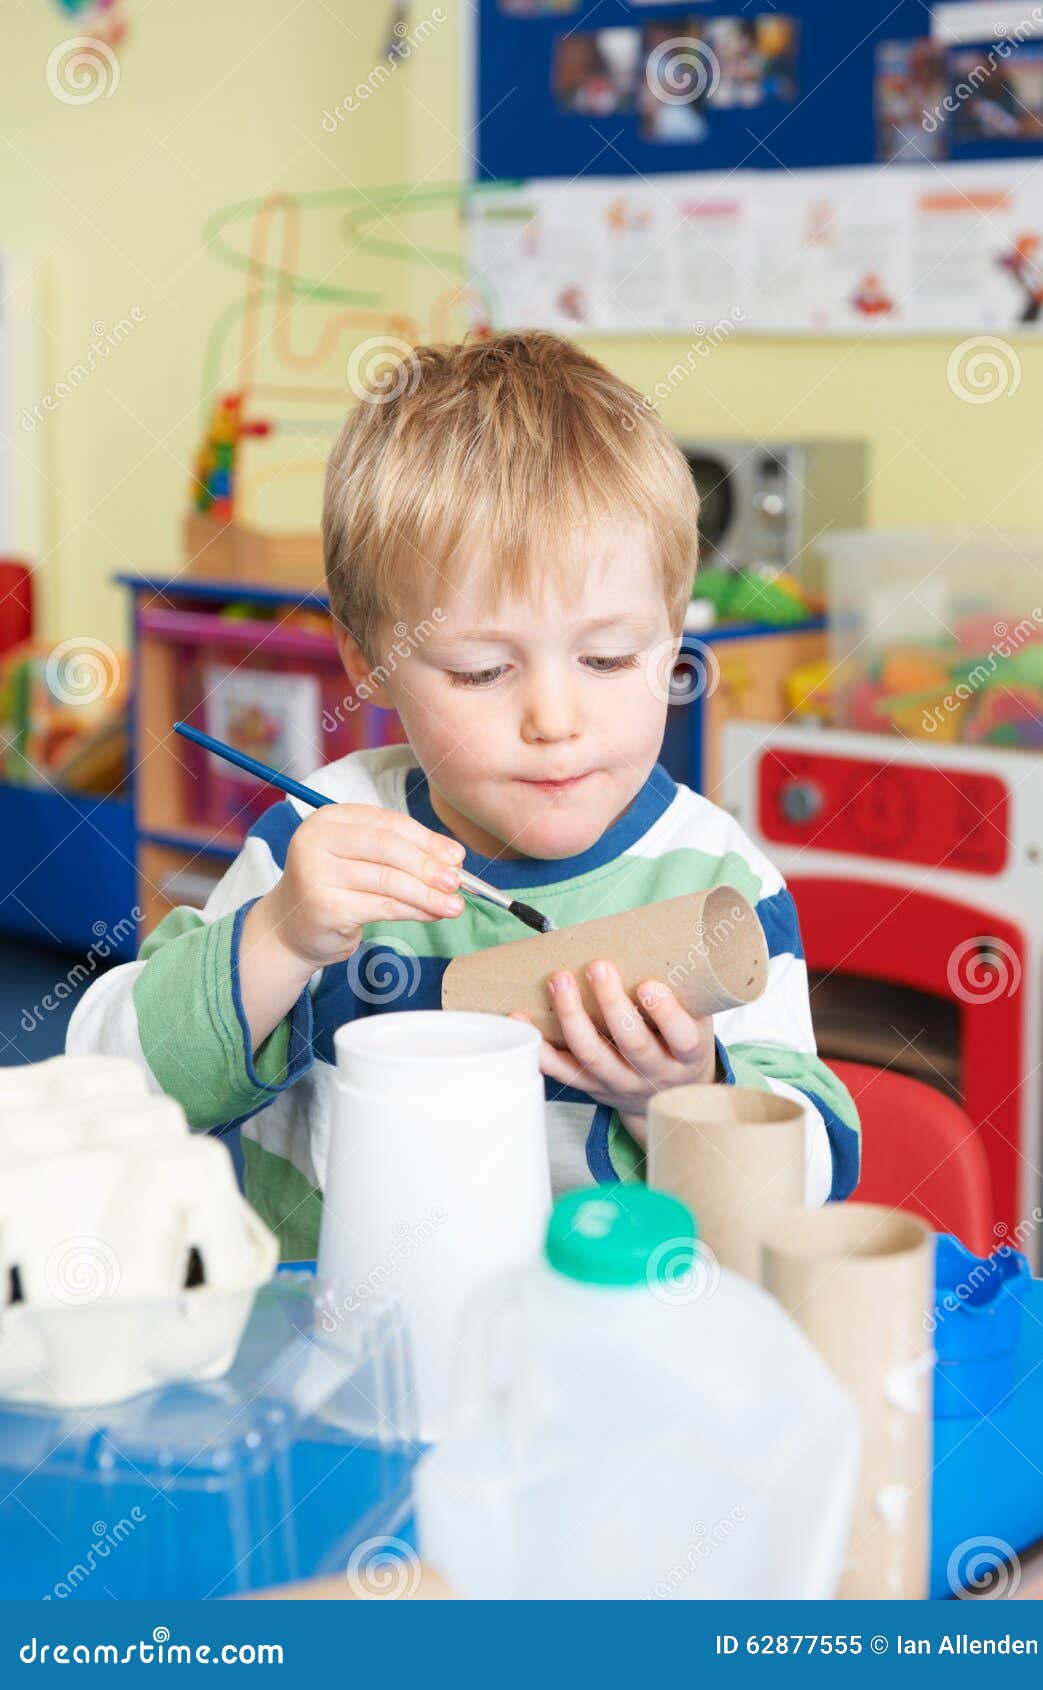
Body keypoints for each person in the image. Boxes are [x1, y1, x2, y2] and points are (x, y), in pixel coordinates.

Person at [68, 331, 860, 1259]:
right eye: (482, 671)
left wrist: (678, 1098)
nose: (555, 719)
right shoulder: (312, 845)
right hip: (339, 1361)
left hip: (609, 1361)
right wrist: (276, 938)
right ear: (372, 664)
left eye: (608, 658)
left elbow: (805, 1183)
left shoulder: (719, 881)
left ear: (675, 634)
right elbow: (109, 1086)